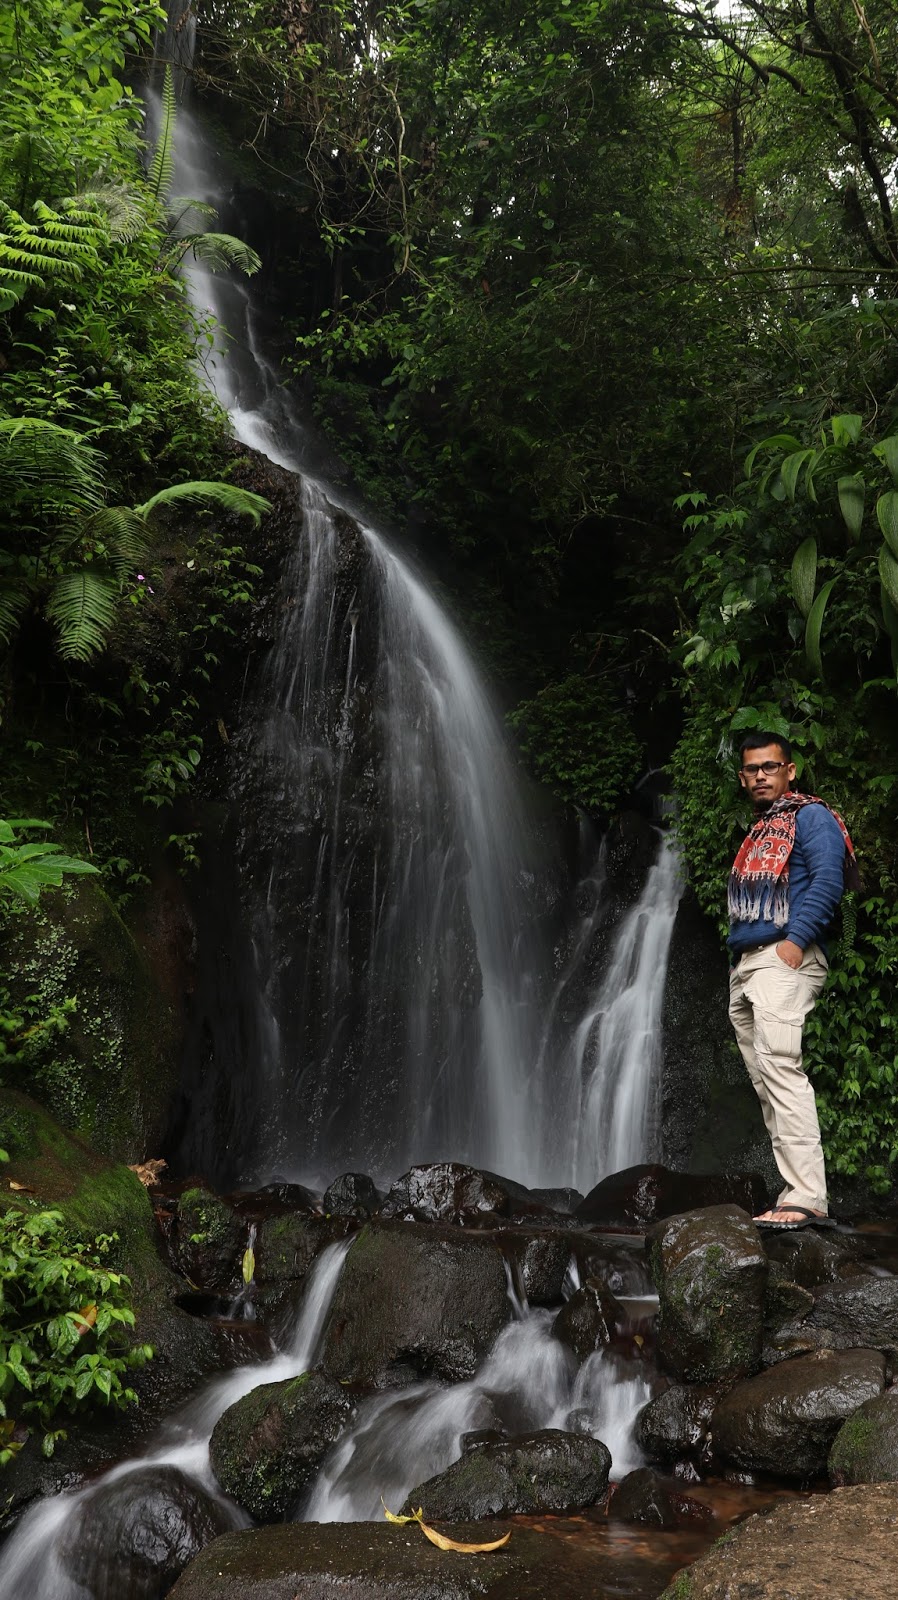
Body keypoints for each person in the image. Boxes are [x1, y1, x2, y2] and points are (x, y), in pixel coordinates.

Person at [727, 731, 858, 1232]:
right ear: (742, 777)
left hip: (784, 959)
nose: (761, 775)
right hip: (750, 965)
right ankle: (794, 1190)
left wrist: (793, 943)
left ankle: (806, 1197)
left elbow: (828, 879)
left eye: (770, 766)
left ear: (790, 770)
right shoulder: (763, 829)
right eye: (752, 769)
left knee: (781, 1071)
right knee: (768, 1083)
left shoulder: (810, 817)